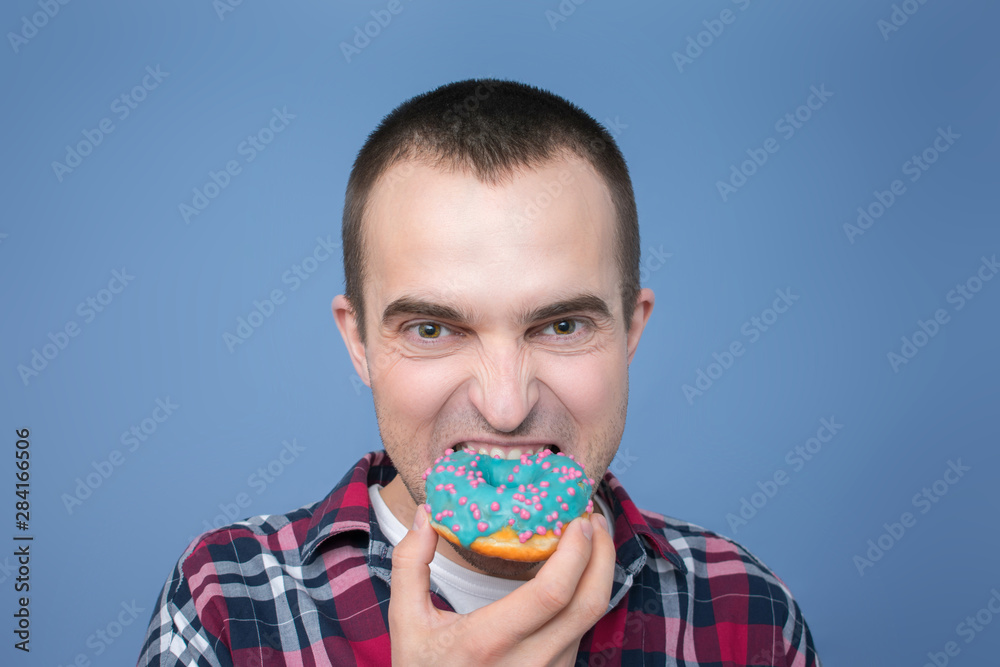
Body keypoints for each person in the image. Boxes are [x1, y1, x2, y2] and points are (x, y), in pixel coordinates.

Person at [136, 78, 821, 666]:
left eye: (561, 326)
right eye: (433, 329)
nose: (503, 405)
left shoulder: (747, 615)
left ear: (632, 329)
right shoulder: (229, 605)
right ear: (360, 342)